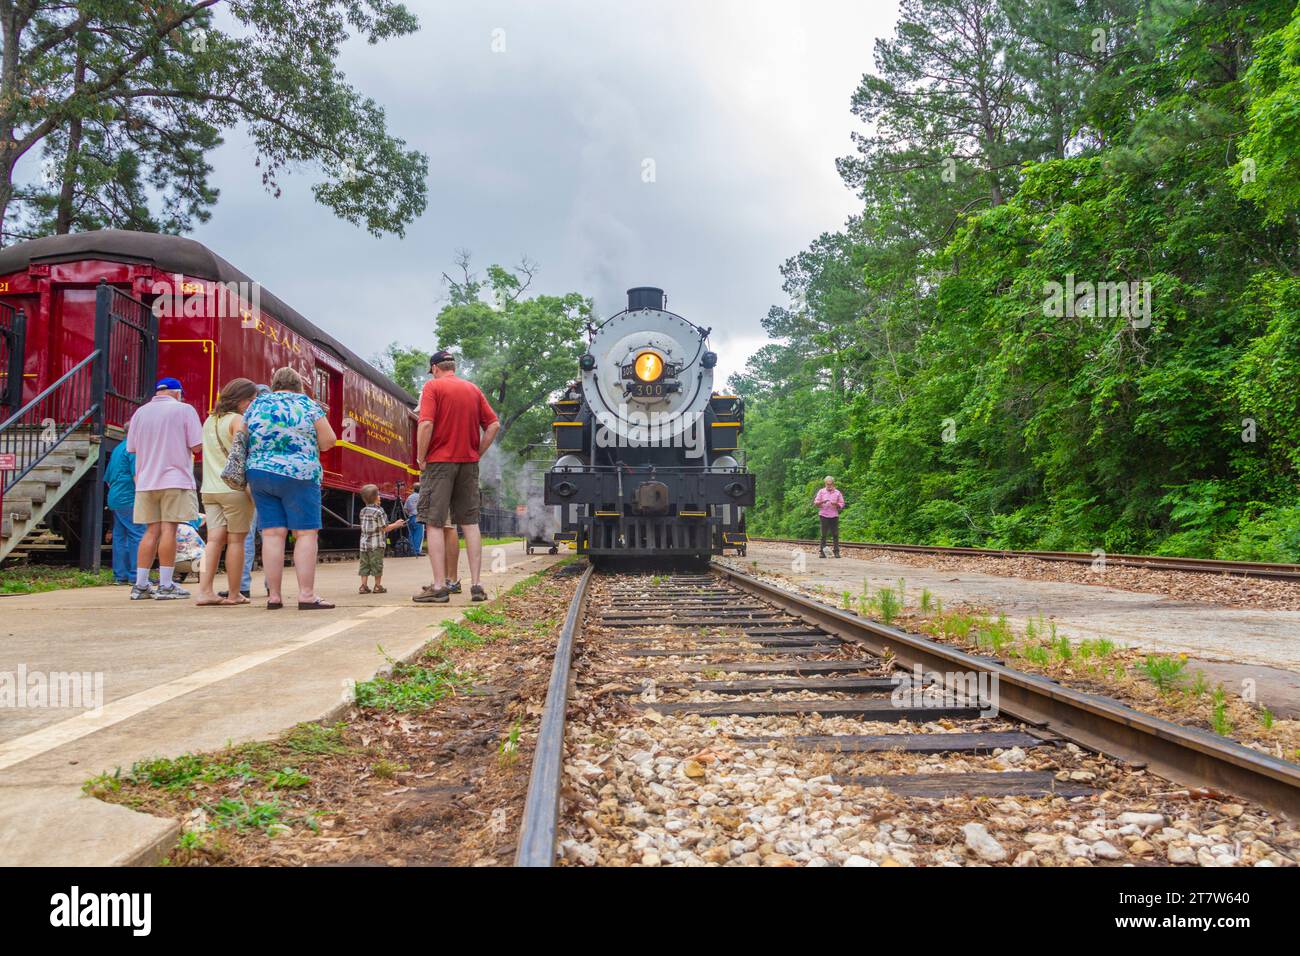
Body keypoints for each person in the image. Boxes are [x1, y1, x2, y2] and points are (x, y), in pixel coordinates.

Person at [242, 366, 336, 610]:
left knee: (272, 534)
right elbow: (328, 441)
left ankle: (274, 596)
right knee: (305, 534)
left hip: (260, 473)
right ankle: (306, 595)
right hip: (299, 474)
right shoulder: (307, 405)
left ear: (274, 384)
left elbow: (241, 438)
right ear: (299, 386)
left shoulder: (257, 404)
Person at [412, 349, 499, 604]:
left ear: (436, 368)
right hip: (468, 463)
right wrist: (477, 452)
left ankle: (439, 586)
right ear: (453, 367)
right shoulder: (473, 389)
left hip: (439, 462)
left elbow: (425, 423)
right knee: (470, 523)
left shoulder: (433, 387)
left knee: (434, 523)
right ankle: (477, 584)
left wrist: (421, 457)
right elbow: (493, 424)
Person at [125, 377, 203, 600]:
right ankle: (166, 584)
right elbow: (197, 446)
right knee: (169, 529)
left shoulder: (140, 413)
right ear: (177, 392)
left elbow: (132, 448)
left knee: (151, 531)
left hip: (146, 480)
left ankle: (140, 585)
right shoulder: (185, 410)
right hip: (174, 479)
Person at [196, 378, 258, 606]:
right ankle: (234, 593)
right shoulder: (239, 421)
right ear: (242, 400)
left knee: (212, 541)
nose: (253, 404)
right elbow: (245, 454)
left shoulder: (209, 420)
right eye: (252, 400)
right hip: (233, 490)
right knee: (236, 542)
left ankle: (204, 591)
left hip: (209, 489)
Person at [104, 437, 144, 585]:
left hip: (115, 497)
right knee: (138, 534)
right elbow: (137, 477)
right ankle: (136, 576)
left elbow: (107, 478)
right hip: (129, 498)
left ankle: (120, 575)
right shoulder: (134, 449)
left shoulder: (117, 448)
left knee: (120, 537)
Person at [358, 484, 406, 594]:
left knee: (364, 565)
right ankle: (377, 586)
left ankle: (363, 586)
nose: (380, 496)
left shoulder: (362, 511)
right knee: (377, 565)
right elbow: (384, 528)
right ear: (376, 498)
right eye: (378, 495)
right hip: (377, 544)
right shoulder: (378, 512)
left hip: (364, 545)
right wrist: (397, 524)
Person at [814, 475, 845, 559]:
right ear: (825, 484)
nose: (829, 486)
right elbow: (816, 502)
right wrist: (822, 502)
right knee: (823, 535)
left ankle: (836, 552)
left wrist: (837, 504)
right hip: (823, 515)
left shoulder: (837, 492)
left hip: (834, 515)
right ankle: (822, 552)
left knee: (835, 534)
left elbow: (842, 504)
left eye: (830, 484)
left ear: (833, 484)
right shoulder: (821, 491)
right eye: (827, 484)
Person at [403, 486, 423, 556]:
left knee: (411, 534)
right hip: (419, 517)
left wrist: (409, 514)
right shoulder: (422, 496)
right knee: (418, 535)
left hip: (411, 517)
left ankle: (410, 550)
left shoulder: (409, 497)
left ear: (414, 489)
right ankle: (416, 551)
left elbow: (405, 508)